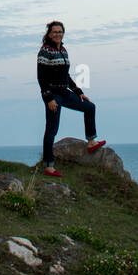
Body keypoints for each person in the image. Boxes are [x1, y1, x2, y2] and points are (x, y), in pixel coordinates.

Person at [37, 20, 105, 175]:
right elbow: (41, 77)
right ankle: (49, 166)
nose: (57, 34)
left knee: (90, 107)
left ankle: (91, 141)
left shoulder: (64, 50)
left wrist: (79, 92)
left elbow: (65, 76)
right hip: (52, 95)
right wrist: (48, 98)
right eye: (54, 32)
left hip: (64, 92)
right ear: (49, 34)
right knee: (52, 129)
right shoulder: (44, 51)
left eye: (60, 31)